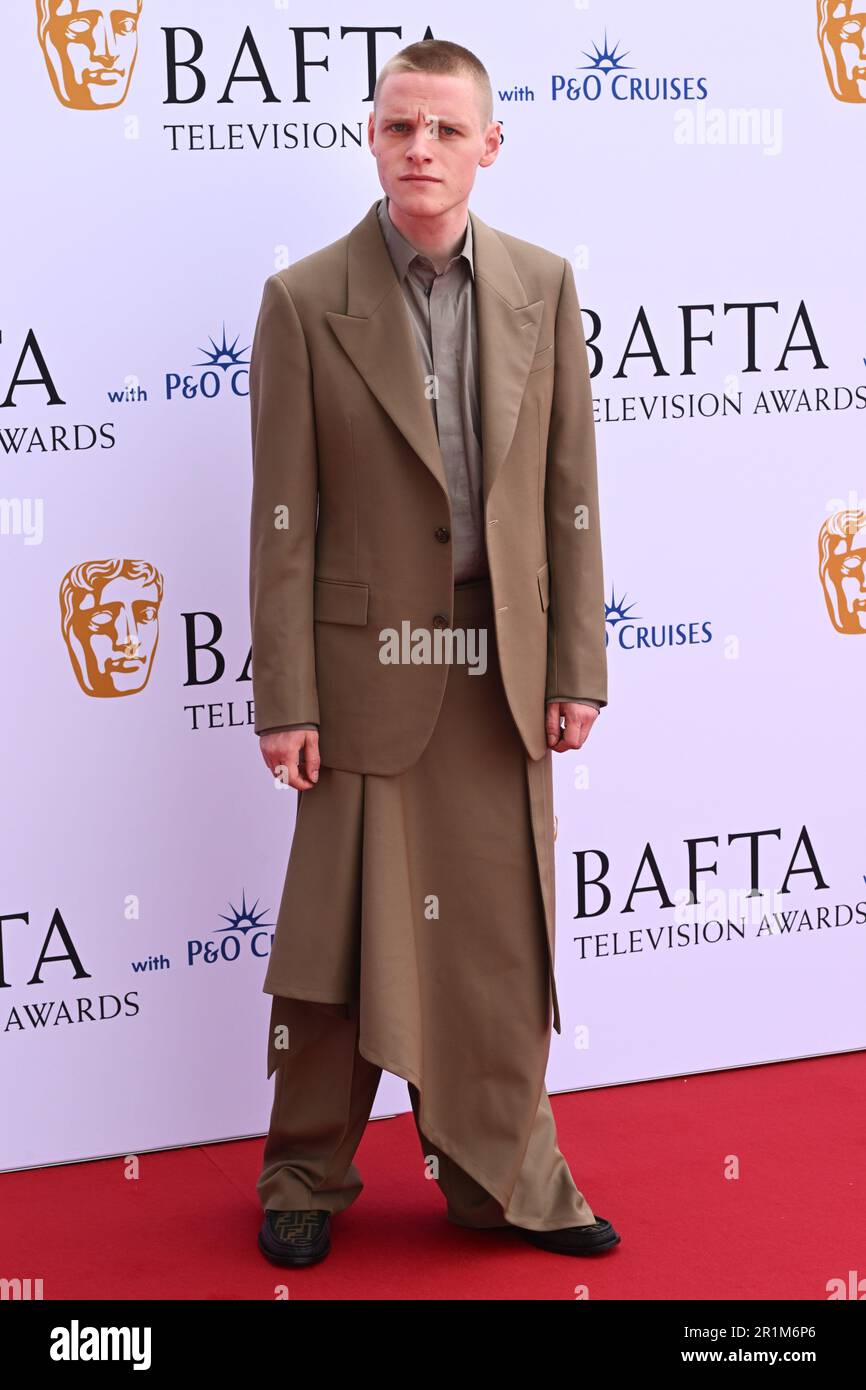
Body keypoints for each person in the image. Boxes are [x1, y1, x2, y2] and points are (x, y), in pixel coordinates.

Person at [248, 37, 619, 1267]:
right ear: (371, 135)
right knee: (333, 945)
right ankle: (302, 1175)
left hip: (498, 669)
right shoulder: (304, 300)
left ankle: (499, 1176)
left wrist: (577, 665)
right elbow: (282, 521)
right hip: (362, 675)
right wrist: (285, 696)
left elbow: (572, 489)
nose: (422, 148)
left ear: (487, 146)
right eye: (401, 125)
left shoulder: (543, 283)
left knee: (497, 944)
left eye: (446, 130)